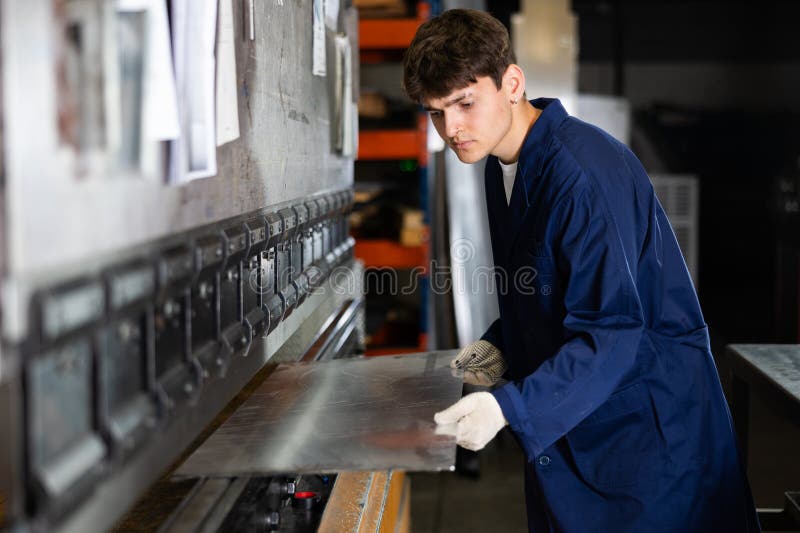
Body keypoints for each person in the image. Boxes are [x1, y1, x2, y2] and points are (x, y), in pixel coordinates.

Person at [402, 8, 760, 532]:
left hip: (644, 442)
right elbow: (536, 306)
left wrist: (506, 410)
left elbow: (612, 332)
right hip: (578, 426)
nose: (451, 129)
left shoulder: (582, 176)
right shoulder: (502, 166)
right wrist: (469, 368)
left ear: (513, 84)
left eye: (464, 103)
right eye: (436, 112)